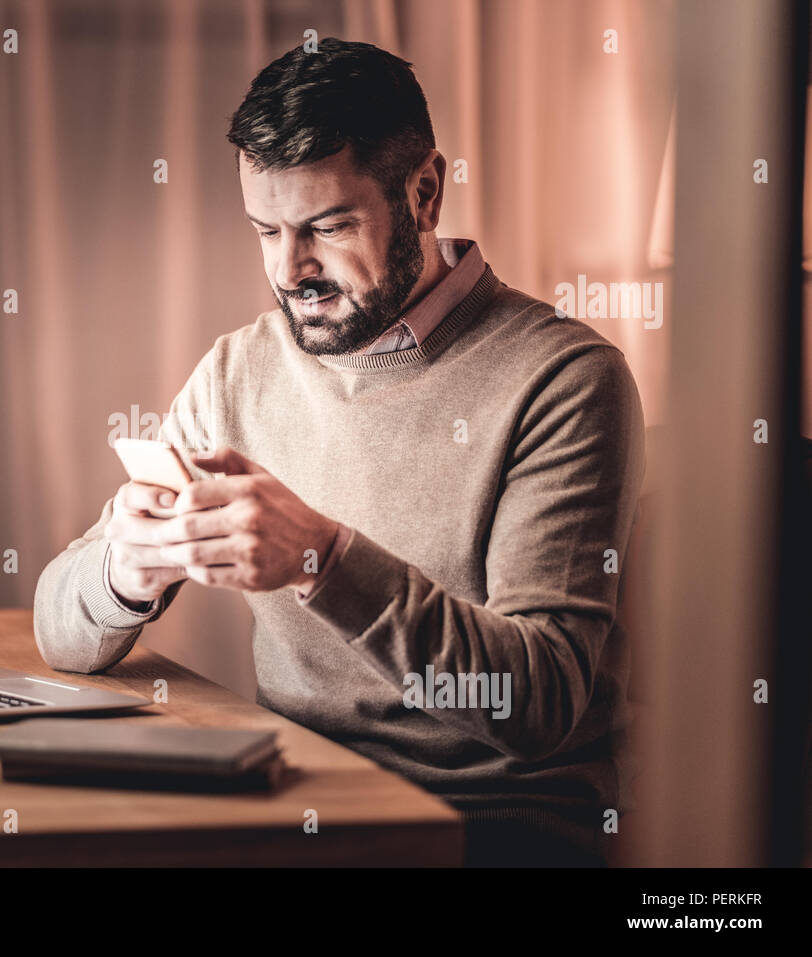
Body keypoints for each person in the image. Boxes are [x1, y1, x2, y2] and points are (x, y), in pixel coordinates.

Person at [33, 37, 645, 867]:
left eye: (327, 226)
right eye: (265, 230)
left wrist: (322, 558)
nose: (290, 271)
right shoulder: (238, 369)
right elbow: (56, 630)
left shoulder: (566, 381)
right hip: (299, 808)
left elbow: (534, 702)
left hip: (489, 831)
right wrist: (125, 572)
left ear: (424, 192)